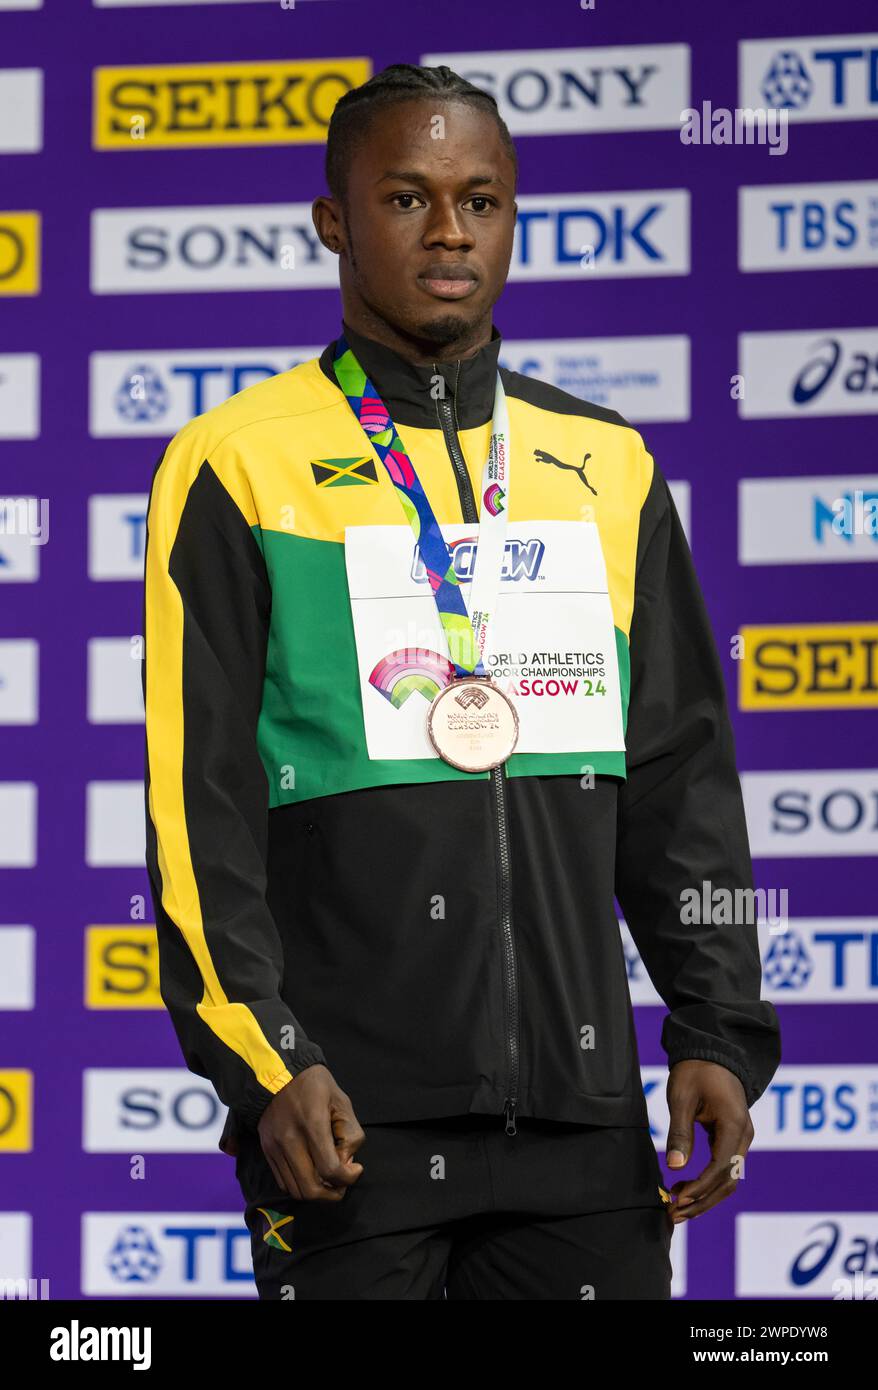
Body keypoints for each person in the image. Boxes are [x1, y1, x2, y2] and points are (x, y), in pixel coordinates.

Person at [141, 63, 781, 1301]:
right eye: (405, 198)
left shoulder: (607, 464)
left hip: (581, 1126)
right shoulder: (235, 462)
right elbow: (195, 805)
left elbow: (679, 779)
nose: (448, 232)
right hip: (343, 1125)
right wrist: (269, 1063)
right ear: (333, 221)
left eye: (479, 200)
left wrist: (714, 1029)